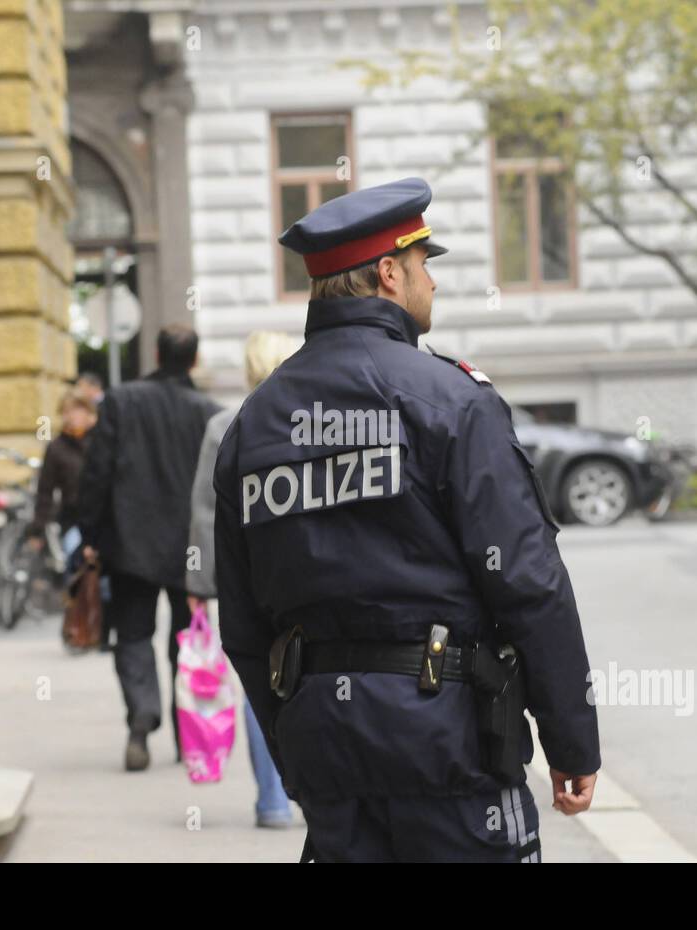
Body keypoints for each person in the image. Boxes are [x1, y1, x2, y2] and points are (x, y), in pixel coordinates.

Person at [212, 178, 600, 862]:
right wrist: (571, 740)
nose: (433, 282)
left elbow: (243, 624)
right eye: (424, 264)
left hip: (327, 753)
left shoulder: (255, 423)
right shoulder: (450, 401)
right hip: (450, 749)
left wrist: (296, 749)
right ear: (389, 274)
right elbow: (527, 582)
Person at [78, 326, 220, 771]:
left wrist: (90, 535)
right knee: (187, 641)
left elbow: (97, 472)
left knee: (134, 635)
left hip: (131, 543)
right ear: (193, 360)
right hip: (190, 550)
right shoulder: (210, 414)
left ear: (156, 355)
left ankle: (141, 718)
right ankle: (187, 735)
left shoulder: (122, 401)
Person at [188, 331, 301, 829]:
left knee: (263, 677)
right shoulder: (314, 416)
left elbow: (204, 509)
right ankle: (318, 795)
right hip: (309, 572)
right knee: (313, 676)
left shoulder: (224, 425)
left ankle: (273, 800)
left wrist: (199, 581)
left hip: (251, 575)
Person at [28, 391, 96, 562]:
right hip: (74, 519)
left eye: (77, 410)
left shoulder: (101, 441)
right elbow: (45, 491)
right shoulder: (57, 448)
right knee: (76, 561)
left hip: (103, 520)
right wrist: (37, 530)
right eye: (67, 412)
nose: (72, 417)